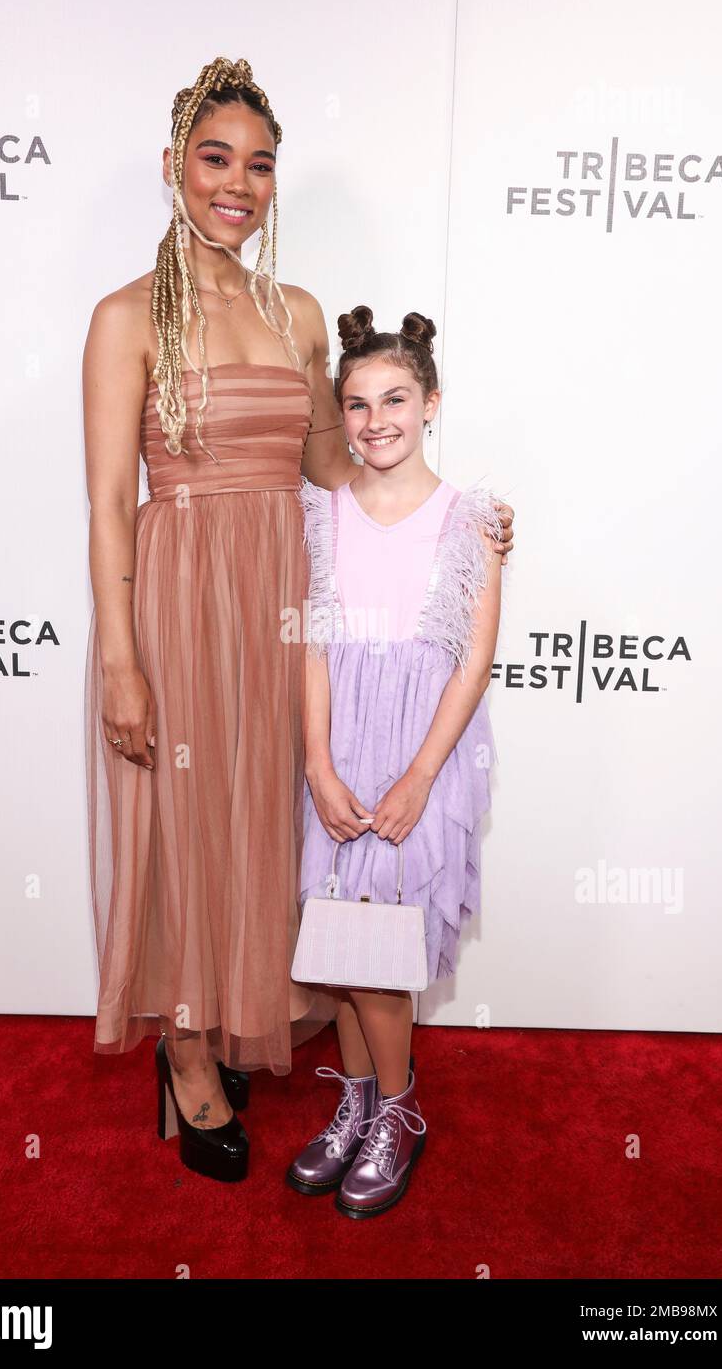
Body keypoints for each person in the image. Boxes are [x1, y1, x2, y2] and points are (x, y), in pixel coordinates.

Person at [83, 56, 516, 1184]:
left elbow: (334, 462)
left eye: (259, 165)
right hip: (182, 592)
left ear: (275, 181)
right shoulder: (124, 317)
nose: (237, 184)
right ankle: (185, 1050)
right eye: (215, 158)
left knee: (271, 820)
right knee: (185, 820)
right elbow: (104, 506)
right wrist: (121, 659)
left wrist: (456, 522)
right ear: (175, 166)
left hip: (286, 594)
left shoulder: (298, 312)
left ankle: (257, 1026)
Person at [287, 305, 503, 1218]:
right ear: (341, 414)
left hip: (420, 754)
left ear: (431, 403)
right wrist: (318, 770)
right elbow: (312, 648)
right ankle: (361, 1099)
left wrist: (418, 777)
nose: (376, 421)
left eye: (395, 399)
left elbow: (473, 659)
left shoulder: (473, 520)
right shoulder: (321, 516)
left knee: (381, 950)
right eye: (357, 403)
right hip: (338, 750)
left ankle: (402, 1111)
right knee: (340, 942)